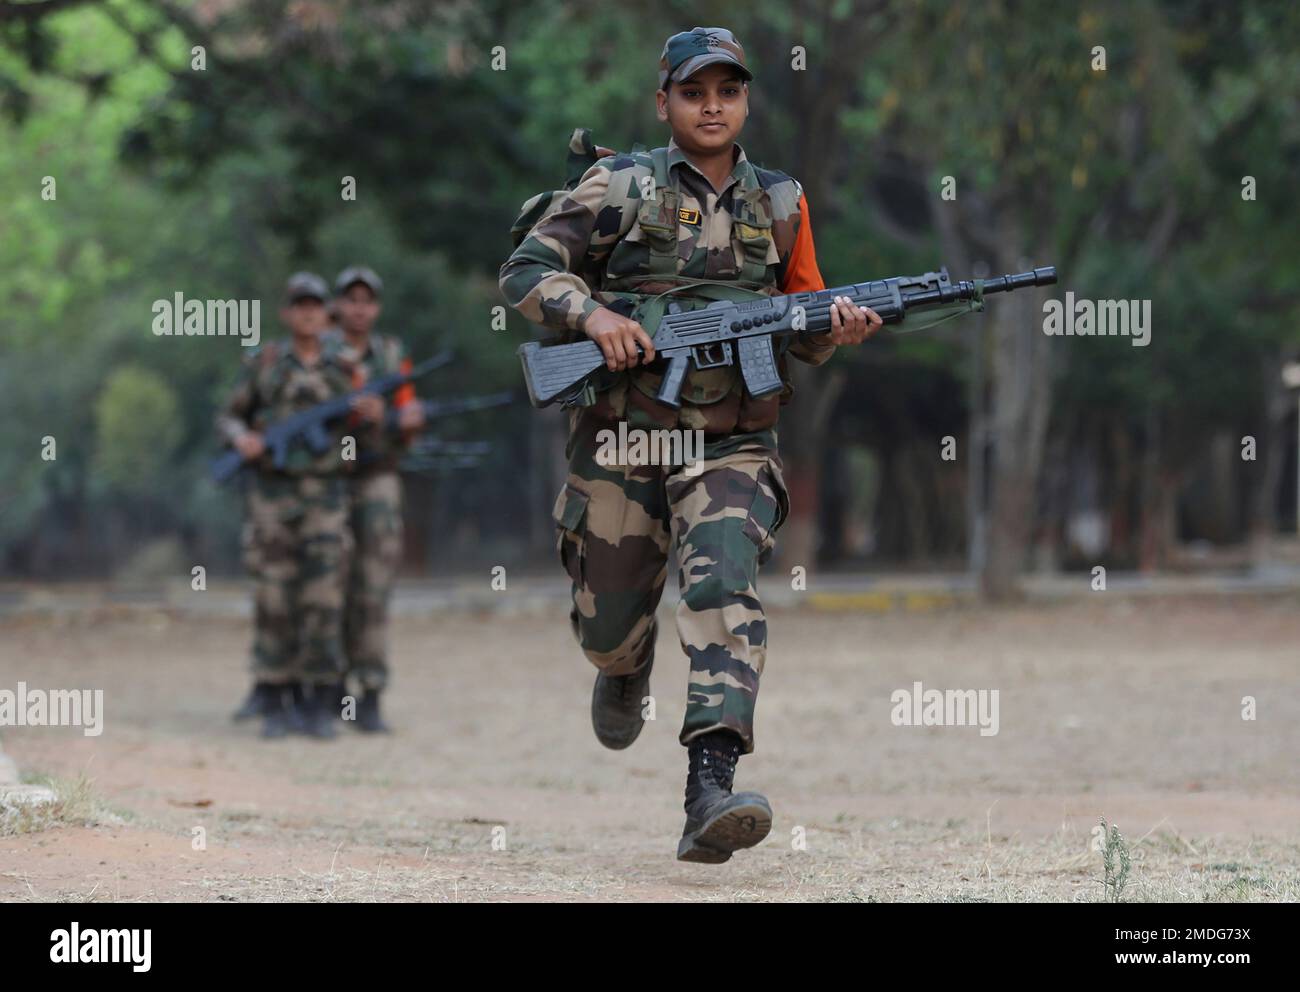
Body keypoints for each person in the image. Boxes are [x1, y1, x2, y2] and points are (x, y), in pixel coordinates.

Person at [499, 27, 881, 862]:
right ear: (663, 100)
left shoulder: (782, 201)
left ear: (746, 101)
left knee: (722, 581)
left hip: (731, 446)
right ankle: (624, 666)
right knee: (608, 626)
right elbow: (526, 272)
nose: (712, 106)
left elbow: (804, 319)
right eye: (694, 91)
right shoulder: (619, 183)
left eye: (728, 91)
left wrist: (838, 328)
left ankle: (710, 785)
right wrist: (596, 317)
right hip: (624, 440)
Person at [217, 272, 357, 740]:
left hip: (326, 497)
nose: (308, 312)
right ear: (286, 312)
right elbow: (229, 415)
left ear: (326, 311)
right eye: (299, 305)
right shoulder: (264, 364)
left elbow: (369, 429)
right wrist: (245, 439)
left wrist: (375, 416)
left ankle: (318, 701)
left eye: (315, 304)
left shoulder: (346, 365)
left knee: (323, 599)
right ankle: (276, 698)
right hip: (272, 498)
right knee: (273, 597)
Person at [324, 266, 425, 732]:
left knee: (373, 587)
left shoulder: (390, 354)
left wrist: (394, 416)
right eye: (351, 299)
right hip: (325, 481)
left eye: (367, 300)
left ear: (376, 308)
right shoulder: (316, 354)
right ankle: (327, 686)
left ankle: (370, 692)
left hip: (378, 478)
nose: (359, 308)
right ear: (338, 305)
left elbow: (410, 414)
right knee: (326, 587)